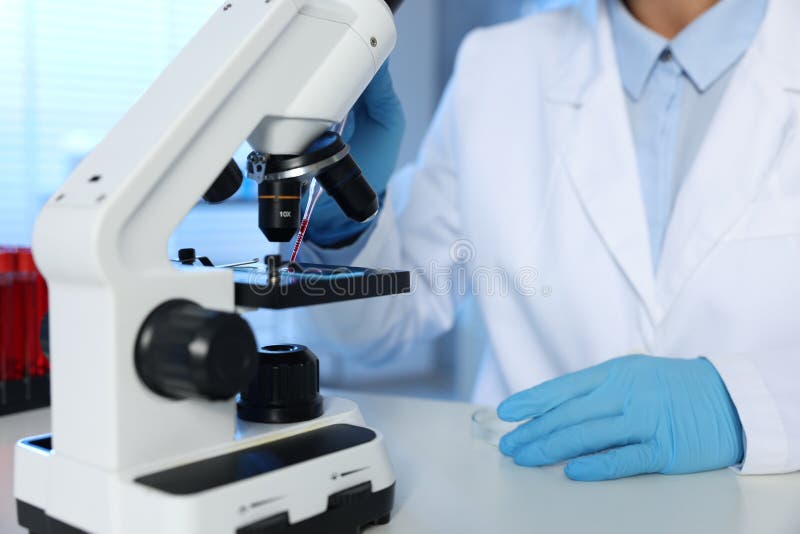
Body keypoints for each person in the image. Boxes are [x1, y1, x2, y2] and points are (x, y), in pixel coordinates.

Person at [281, 0, 800, 481]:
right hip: (530, 502)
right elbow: (375, 330)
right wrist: (341, 227)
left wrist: (746, 403)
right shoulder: (498, 64)